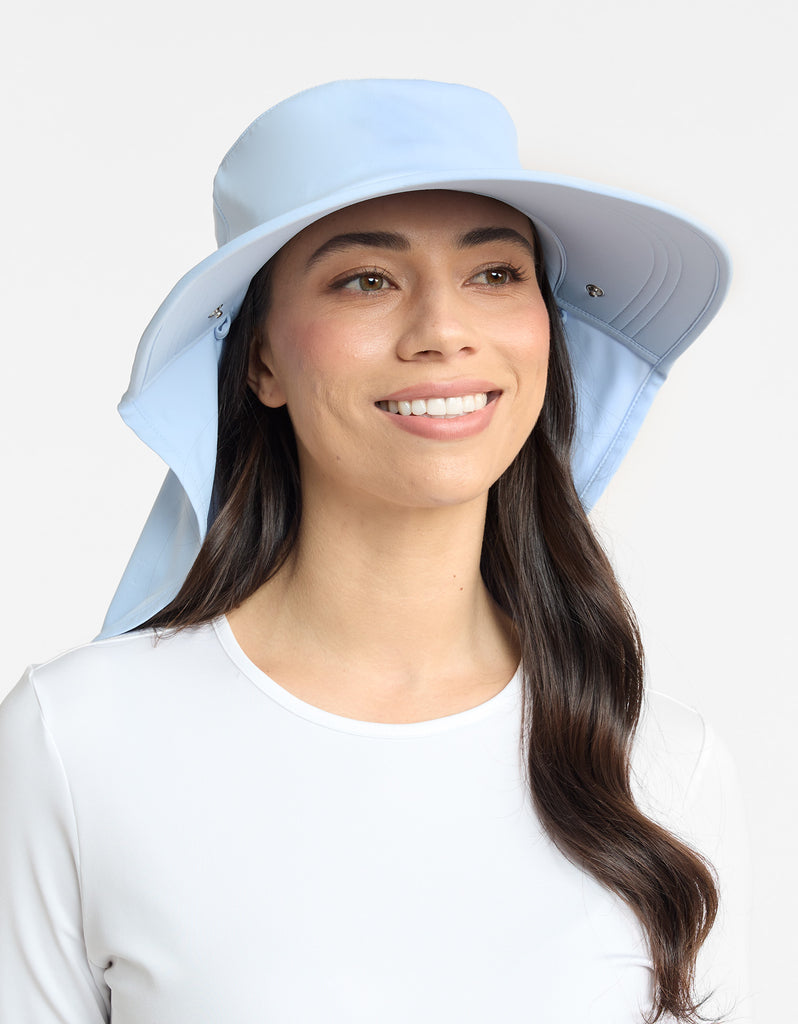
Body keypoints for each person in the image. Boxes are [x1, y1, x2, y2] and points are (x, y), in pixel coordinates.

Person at [0, 80, 750, 1022]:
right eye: (366, 280)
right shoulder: (78, 742)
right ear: (261, 360)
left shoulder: (664, 768)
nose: (444, 332)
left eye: (495, 274)